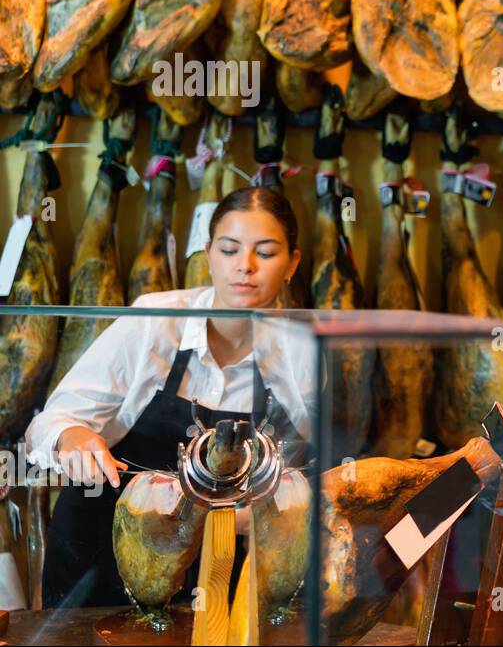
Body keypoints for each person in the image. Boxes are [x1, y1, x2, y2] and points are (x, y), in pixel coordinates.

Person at [26, 186, 316, 608]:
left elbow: (319, 469)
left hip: (220, 579)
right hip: (101, 562)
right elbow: (47, 426)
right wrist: (74, 438)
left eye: (266, 253)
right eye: (230, 249)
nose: (245, 267)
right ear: (208, 253)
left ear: (292, 263)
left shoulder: (302, 352)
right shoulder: (153, 321)